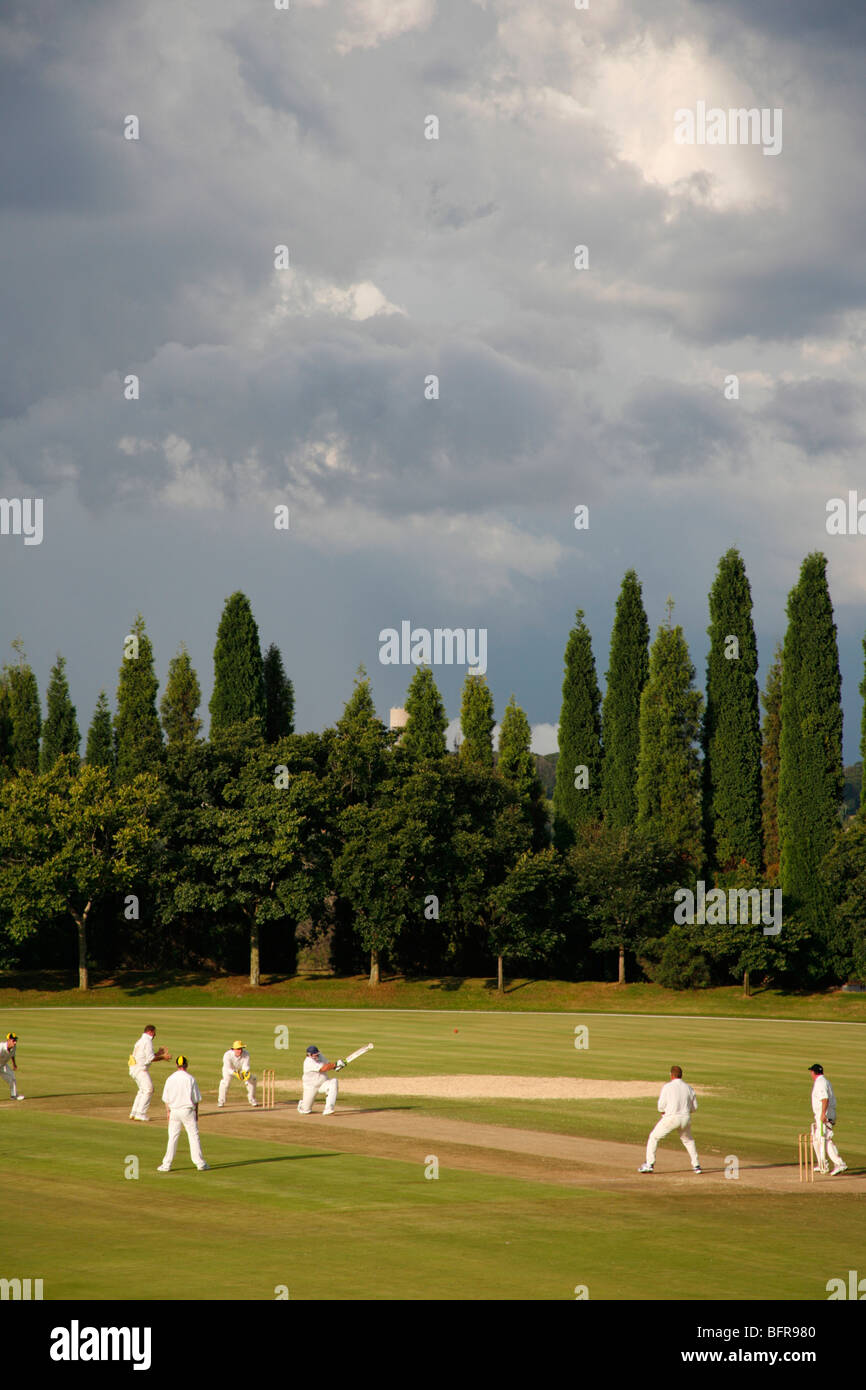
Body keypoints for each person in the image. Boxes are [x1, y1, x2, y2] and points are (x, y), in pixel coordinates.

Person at [638, 1065, 701, 1174]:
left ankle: (649, 1164)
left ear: (671, 1075)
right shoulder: (689, 1088)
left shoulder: (667, 1086)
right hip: (685, 1118)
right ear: (681, 1075)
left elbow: (661, 1106)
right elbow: (694, 1107)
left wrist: (664, 1111)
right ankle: (696, 1166)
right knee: (688, 1141)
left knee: (653, 1137)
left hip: (671, 1118)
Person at [158, 1056, 210, 1172]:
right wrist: (196, 1113)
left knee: (172, 1137)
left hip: (174, 1111)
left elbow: (166, 1099)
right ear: (186, 1065)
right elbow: (196, 1099)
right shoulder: (190, 1079)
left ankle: (166, 1164)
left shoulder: (170, 1078)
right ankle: (200, 1163)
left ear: (177, 1065)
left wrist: (168, 1112)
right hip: (187, 1111)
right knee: (193, 1136)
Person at [809, 1063, 847, 1176]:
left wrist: (822, 1114)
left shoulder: (820, 1083)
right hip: (822, 1114)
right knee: (816, 1139)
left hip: (824, 1116)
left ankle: (839, 1163)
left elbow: (825, 1099)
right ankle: (822, 1164)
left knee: (824, 1139)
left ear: (813, 1073)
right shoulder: (823, 1081)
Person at [128, 1025, 170, 1121]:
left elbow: (147, 1056)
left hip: (134, 1068)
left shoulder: (141, 1040)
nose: (155, 1034)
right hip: (140, 1069)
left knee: (142, 1090)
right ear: (150, 1032)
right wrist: (163, 1057)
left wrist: (159, 1054)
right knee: (148, 1090)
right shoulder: (147, 1041)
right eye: (154, 1032)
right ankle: (141, 1114)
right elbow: (151, 1059)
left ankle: (134, 1113)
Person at [297, 1044, 343, 1116]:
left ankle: (329, 1108)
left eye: (317, 1054)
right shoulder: (308, 1062)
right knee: (306, 1110)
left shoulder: (320, 1055)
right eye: (315, 1055)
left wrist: (336, 1066)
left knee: (334, 1082)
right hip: (311, 1086)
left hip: (323, 1083)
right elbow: (323, 1069)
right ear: (309, 1055)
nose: (317, 1056)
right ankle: (302, 1104)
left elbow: (328, 1064)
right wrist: (335, 1064)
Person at [218, 1040, 258, 1107]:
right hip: (229, 1070)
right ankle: (221, 1101)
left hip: (241, 1070)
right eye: (238, 1049)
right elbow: (228, 1068)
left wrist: (244, 1073)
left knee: (253, 1080)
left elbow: (246, 1066)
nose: (240, 1051)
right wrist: (236, 1073)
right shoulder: (227, 1055)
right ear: (233, 1049)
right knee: (225, 1083)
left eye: (241, 1049)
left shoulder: (246, 1054)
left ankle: (252, 1099)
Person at [0, 1031, 23, 1101]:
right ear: (9, 1040)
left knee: (12, 1077)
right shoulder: (0, 1047)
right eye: (13, 1040)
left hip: (3, 1065)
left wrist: (14, 1064)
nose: (15, 1042)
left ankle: (14, 1095)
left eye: (16, 1040)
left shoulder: (14, 1047)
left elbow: (12, 1055)